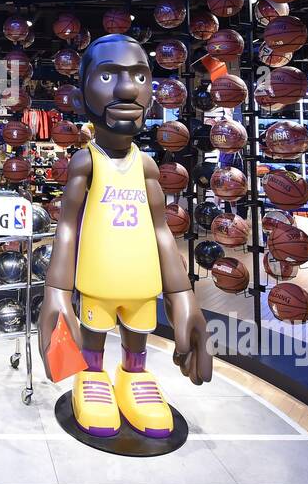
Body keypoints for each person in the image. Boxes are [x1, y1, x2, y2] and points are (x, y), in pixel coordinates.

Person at [39, 34, 212, 439]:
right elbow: (66, 228)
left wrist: (184, 297)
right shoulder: (86, 162)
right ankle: (93, 378)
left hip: (142, 286)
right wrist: (57, 292)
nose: (127, 88)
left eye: (139, 75)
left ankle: (134, 378)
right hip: (97, 284)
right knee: (94, 339)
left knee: (138, 342)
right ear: (81, 95)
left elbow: (161, 231)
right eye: (108, 75)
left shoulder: (148, 166)